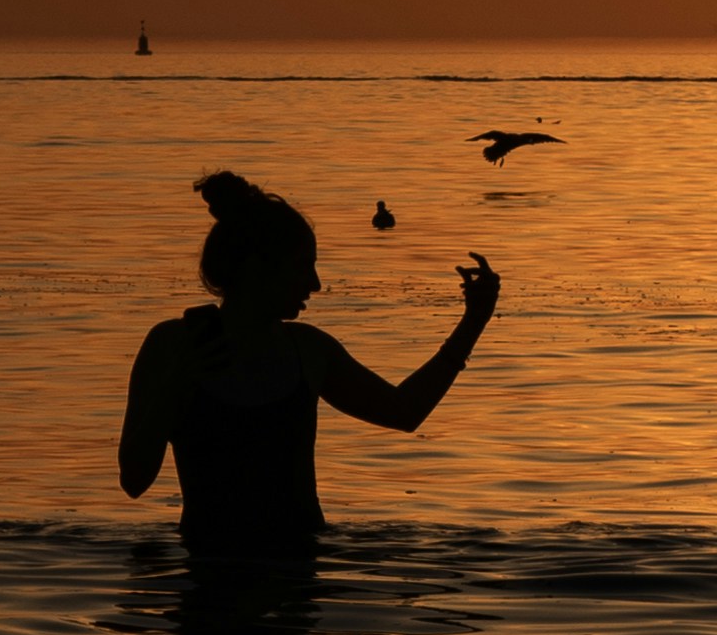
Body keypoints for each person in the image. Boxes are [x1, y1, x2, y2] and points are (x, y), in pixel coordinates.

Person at [120, 170, 499, 557]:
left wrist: (473, 321)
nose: (315, 284)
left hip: (299, 577)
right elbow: (134, 480)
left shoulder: (309, 350)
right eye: (303, 266)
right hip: (207, 576)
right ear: (257, 267)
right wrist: (176, 389)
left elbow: (405, 412)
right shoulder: (172, 345)